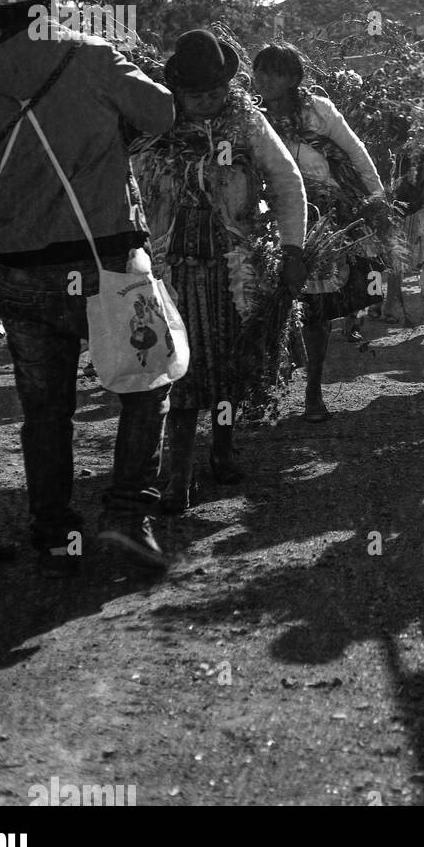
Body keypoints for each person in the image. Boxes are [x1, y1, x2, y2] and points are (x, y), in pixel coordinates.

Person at [0, 0, 176, 577]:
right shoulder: (94, 56)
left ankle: (53, 527)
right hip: (109, 262)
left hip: (22, 275)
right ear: (53, 6)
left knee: (46, 410)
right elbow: (163, 113)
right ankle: (127, 515)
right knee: (146, 387)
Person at [133, 31, 308, 508]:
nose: (207, 103)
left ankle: (224, 450)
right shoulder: (156, 128)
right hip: (175, 269)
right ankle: (179, 472)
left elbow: (288, 182)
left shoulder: (248, 123)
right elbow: (127, 180)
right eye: (196, 96)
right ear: (177, 93)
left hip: (235, 268)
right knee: (182, 370)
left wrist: (293, 249)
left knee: (230, 365)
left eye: (214, 93)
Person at [251, 43, 387, 424]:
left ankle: (313, 390)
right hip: (270, 219)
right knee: (271, 302)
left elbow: (356, 153)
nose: (264, 79)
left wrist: (376, 199)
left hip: (320, 221)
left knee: (315, 308)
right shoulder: (251, 118)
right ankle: (276, 377)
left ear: (293, 78)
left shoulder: (318, 112)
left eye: (274, 72)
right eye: (260, 70)